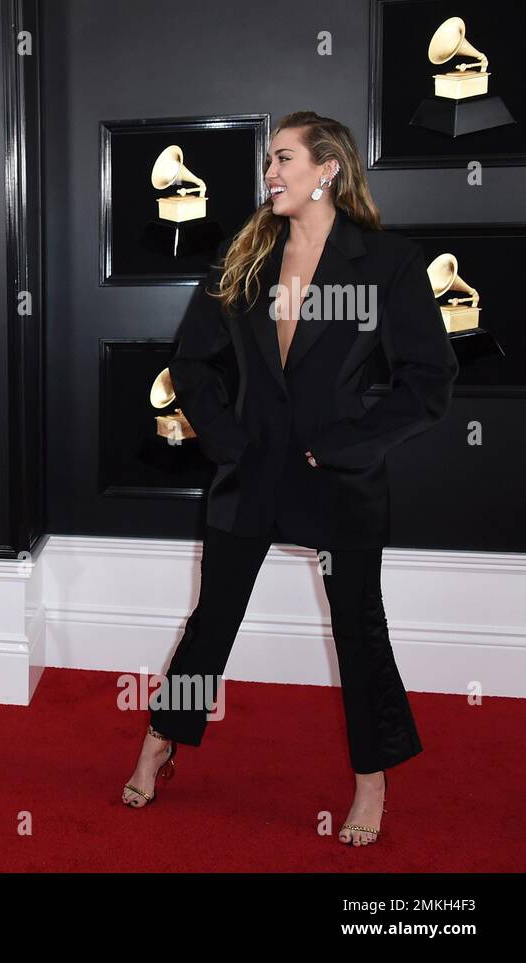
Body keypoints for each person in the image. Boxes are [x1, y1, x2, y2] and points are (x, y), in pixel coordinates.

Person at [119, 112, 458, 848]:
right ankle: (161, 738)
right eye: (270, 161)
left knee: (358, 628)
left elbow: (430, 381)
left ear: (327, 168)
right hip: (253, 469)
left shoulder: (390, 262)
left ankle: (372, 776)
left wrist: (345, 440)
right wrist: (229, 438)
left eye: (283, 159)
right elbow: (191, 363)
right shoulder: (245, 255)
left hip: (338, 477)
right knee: (213, 619)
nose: (270, 173)